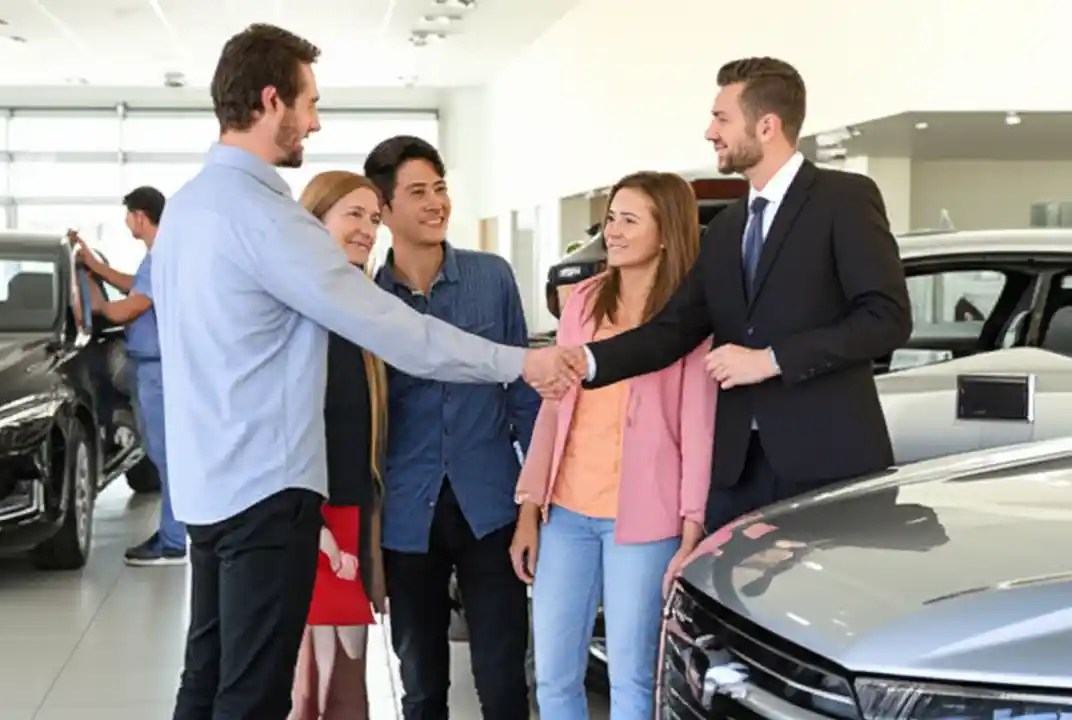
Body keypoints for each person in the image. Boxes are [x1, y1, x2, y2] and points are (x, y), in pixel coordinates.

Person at [147, 24, 579, 720]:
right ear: (269, 100)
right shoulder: (271, 220)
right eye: (309, 103)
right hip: (268, 491)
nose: (314, 123)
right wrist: (521, 362)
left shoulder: (190, 208)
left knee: (206, 677)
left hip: (206, 491)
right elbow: (401, 334)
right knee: (252, 693)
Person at [563, 57, 913, 531]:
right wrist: (580, 362)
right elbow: (675, 329)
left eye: (721, 118)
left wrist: (771, 359)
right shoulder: (726, 227)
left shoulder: (844, 198)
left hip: (827, 464)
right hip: (736, 473)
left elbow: (886, 318)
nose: (710, 132)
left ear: (766, 125)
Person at [510, 171, 717, 719]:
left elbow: (699, 427)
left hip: (645, 522)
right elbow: (554, 407)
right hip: (567, 513)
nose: (615, 232)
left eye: (630, 219)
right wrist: (530, 508)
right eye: (611, 219)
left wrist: (692, 528)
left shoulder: (689, 315)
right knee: (554, 675)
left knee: (632, 677)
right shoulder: (582, 300)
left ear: (667, 232)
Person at [364, 135, 539, 720]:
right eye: (417, 192)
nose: (436, 203)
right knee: (421, 686)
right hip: (407, 513)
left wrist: (535, 506)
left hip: (491, 504)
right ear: (384, 209)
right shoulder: (363, 299)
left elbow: (523, 395)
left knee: (504, 679)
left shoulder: (492, 278)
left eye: (440, 189)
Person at [288, 170, 390, 720]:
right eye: (353, 214)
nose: (368, 230)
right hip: (312, 517)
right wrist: (322, 532)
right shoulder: (295, 308)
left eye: (374, 219)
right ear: (314, 219)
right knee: (316, 685)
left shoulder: (359, 306)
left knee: (343, 681)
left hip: (351, 511)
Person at [71, 186, 187, 565]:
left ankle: (172, 541)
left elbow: (126, 309)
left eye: (128, 216)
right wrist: (94, 265)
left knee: (165, 455)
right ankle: (174, 535)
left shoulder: (164, 256)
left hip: (158, 369)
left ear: (140, 215)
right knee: (161, 452)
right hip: (151, 366)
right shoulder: (156, 256)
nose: (126, 223)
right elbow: (132, 285)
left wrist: (90, 296)